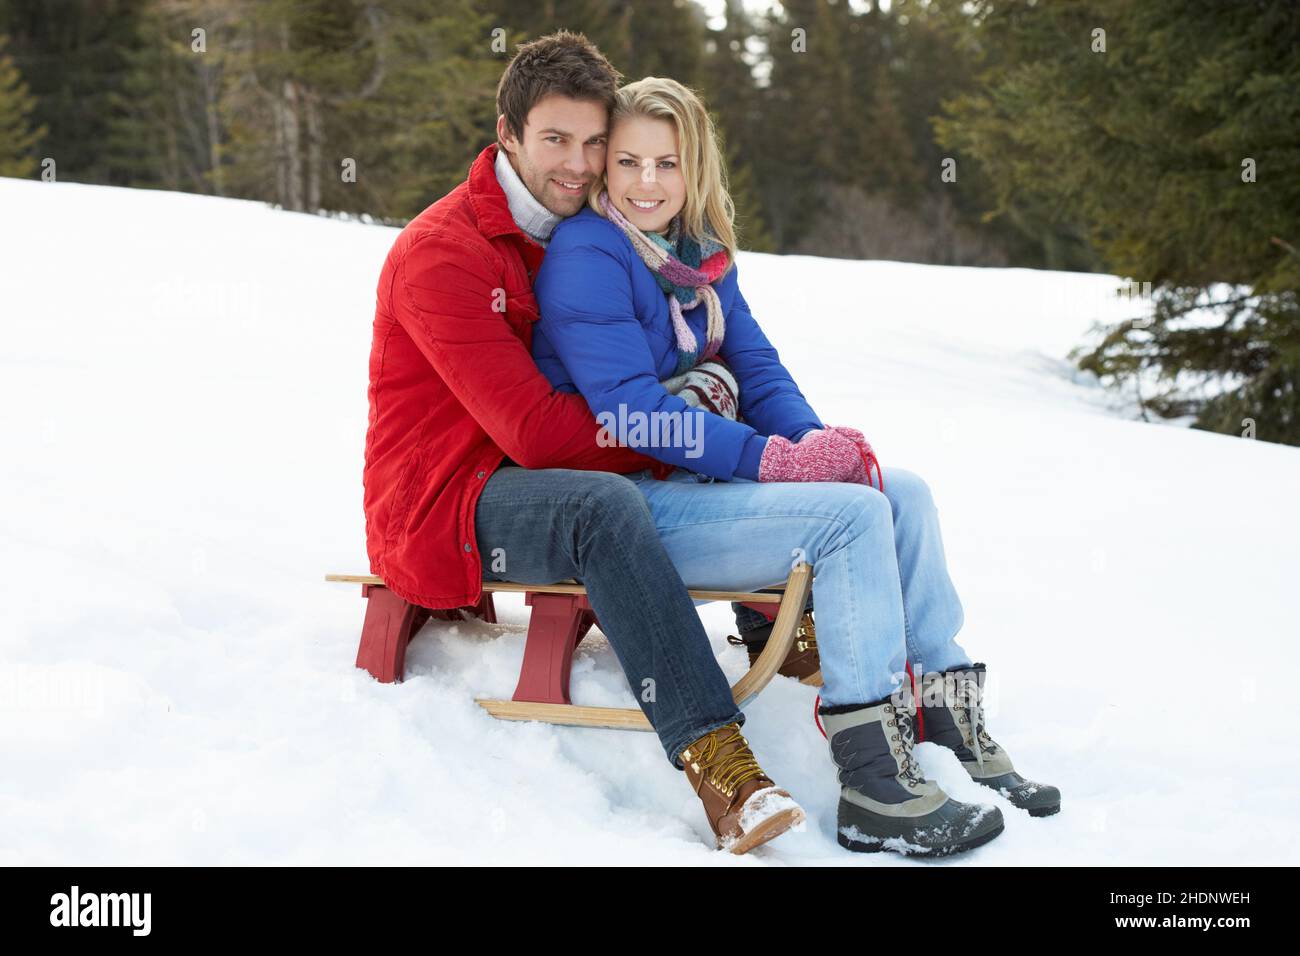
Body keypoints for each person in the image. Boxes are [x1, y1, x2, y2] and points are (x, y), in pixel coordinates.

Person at [531, 76, 1061, 856]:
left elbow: (759, 367)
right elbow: (626, 408)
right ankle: (875, 781)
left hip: (705, 484)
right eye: (631, 162)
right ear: (607, 165)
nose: (648, 183)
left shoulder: (701, 258)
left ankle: (943, 708)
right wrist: (771, 459)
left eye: (667, 164)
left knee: (896, 493)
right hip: (634, 507)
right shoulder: (589, 253)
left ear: (695, 167)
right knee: (851, 521)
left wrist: (814, 450)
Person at [363, 33, 806, 855]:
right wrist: (679, 435)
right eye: (554, 140)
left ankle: (778, 612)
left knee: (692, 423)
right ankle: (720, 764)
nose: (578, 162)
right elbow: (533, 433)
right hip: (449, 500)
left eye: (593, 142)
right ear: (508, 134)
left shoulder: (581, 232)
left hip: (528, 475)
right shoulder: (443, 254)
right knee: (606, 500)